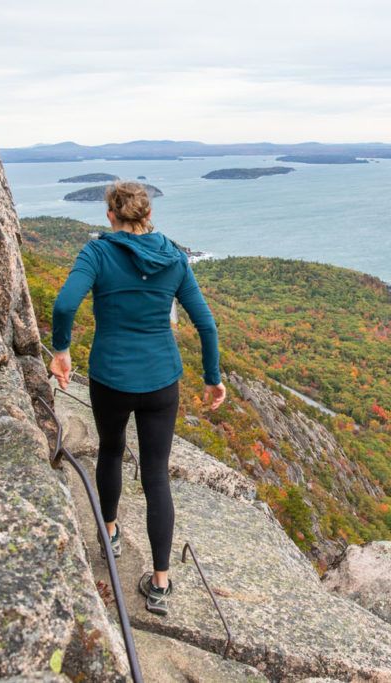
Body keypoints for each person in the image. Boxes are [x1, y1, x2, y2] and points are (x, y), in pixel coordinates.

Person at [48, 180, 226, 616]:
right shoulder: (174, 259)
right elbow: (206, 324)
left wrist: (61, 351)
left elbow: (65, 305)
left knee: (110, 451)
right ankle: (161, 583)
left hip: (111, 376)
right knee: (156, 476)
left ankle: (109, 533)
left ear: (111, 215)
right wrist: (212, 377)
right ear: (149, 215)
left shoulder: (98, 253)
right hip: (162, 380)